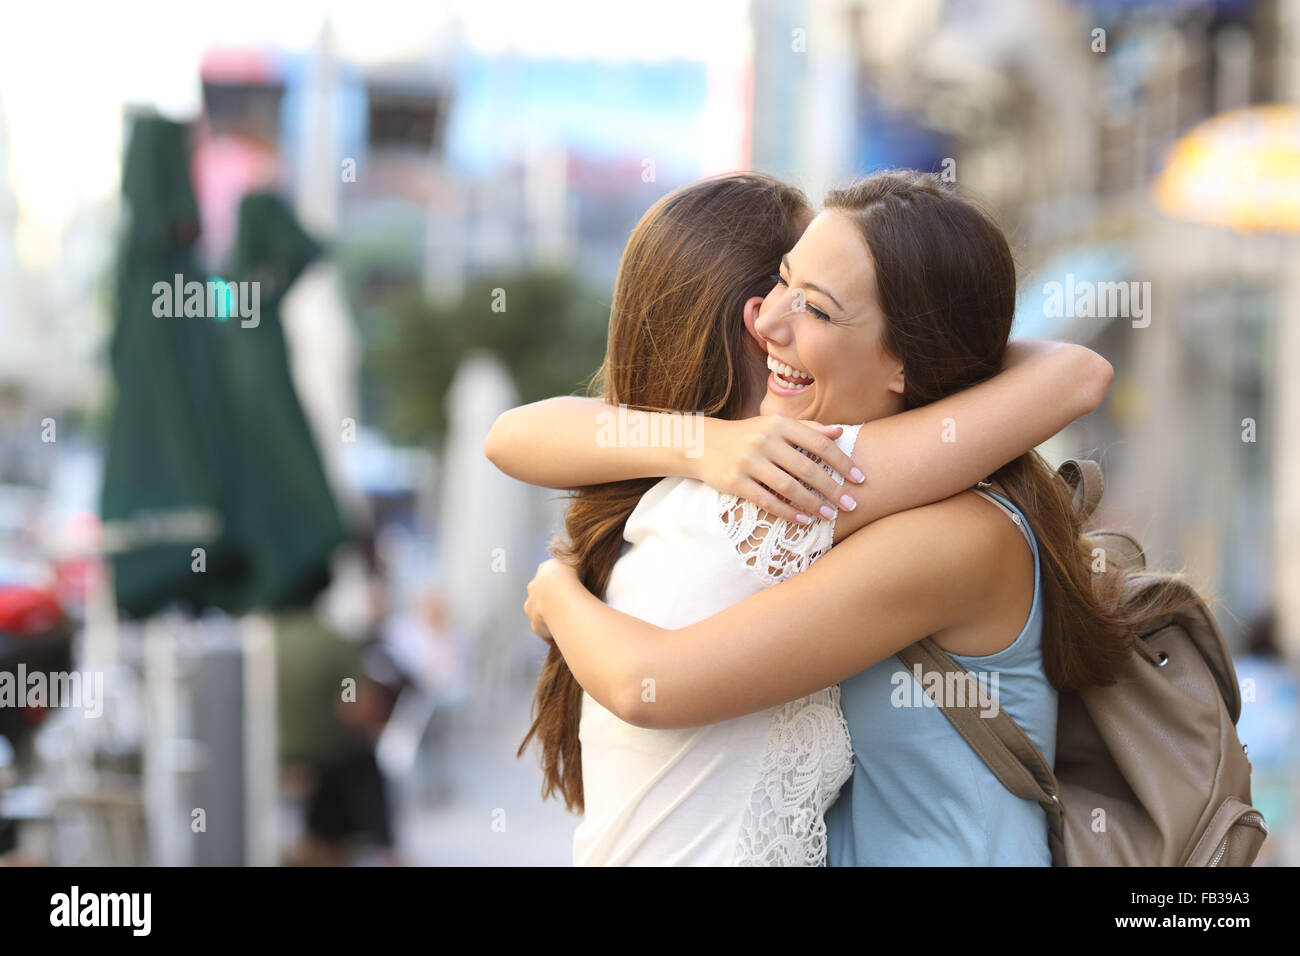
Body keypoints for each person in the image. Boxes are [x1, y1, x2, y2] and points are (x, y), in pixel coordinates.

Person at [492, 170, 1115, 865]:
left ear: (906, 358)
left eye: (816, 307)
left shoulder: (916, 517)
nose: (769, 320)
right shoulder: (781, 486)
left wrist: (555, 591)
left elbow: (1078, 375)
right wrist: (708, 443)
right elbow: (512, 435)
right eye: (781, 282)